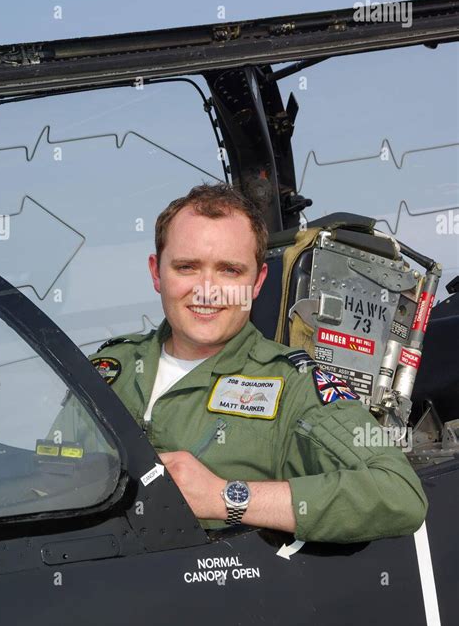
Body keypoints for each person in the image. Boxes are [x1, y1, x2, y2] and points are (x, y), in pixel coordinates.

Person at [53, 183, 428, 543]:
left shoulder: (294, 385)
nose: (207, 289)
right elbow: (49, 475)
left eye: (229, 270)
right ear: (156, 272)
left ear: (257, 280)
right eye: (186, 267)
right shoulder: (108, 368)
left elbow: (398, 493)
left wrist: (225, 497)